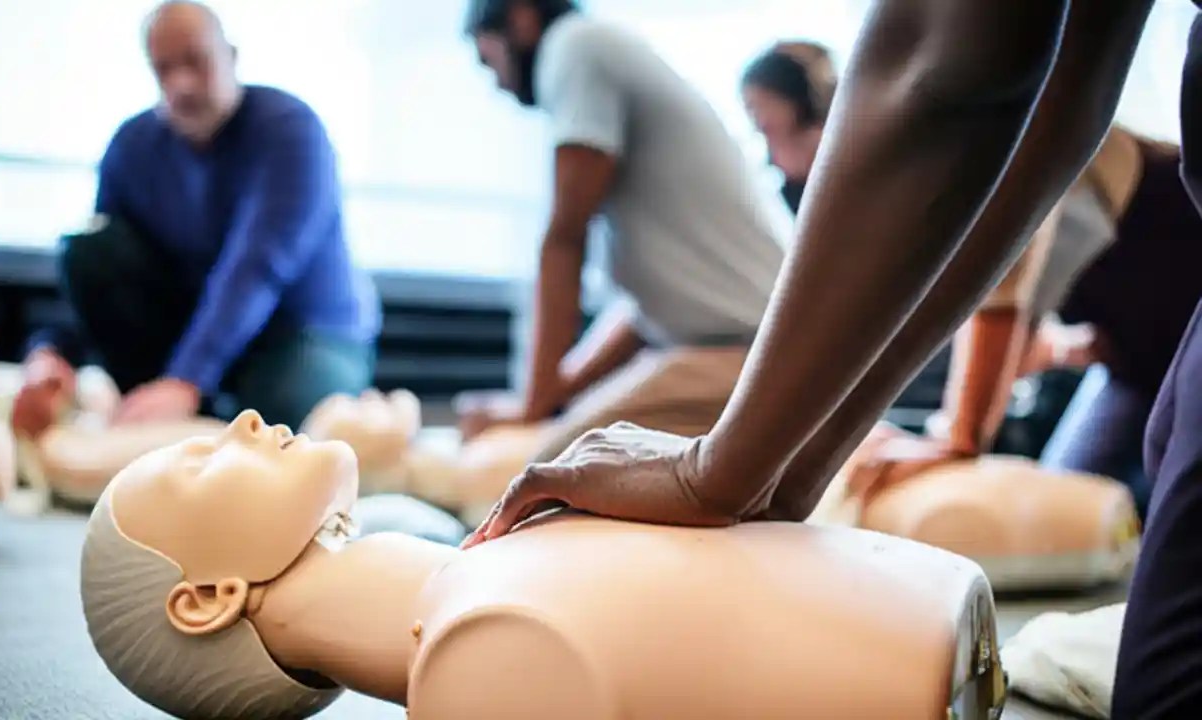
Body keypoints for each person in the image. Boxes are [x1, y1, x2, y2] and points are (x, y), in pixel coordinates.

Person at [463, 3, 1194, 715]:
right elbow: (1050, 100)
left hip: (1176, 281)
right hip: (1142, 349)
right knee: (1154, 467)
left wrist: (717, 470)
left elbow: (956, 73)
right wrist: (796, 464)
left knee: (1162, 674)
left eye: (768, 128)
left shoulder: (581, 53)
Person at [744, 41, 1202, 521]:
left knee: (1164, 520)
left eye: (765, 124)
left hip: (1182, 299)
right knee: (1069, 505)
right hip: (1132, 359)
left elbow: (1004, 286)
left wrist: (957, 437)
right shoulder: (869, 195)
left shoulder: (981, 132)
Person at [11, 0, 380, 437]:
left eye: (196, 62)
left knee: (274, 426)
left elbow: (256, 267)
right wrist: (51, 354)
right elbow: (92, 276)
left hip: (307, 331)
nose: (181, 84)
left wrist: (185, 381)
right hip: (194, 332)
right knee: (91, 247)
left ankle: (194, 400)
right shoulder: (132, 147)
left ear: (231, 57)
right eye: (164, 69)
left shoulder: (291, 131)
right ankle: (159, 403)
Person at [455, 0, 785, 464]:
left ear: (520, 19)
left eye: (486, 58)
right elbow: (643, 315)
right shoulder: (606, 53)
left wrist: (531, 408)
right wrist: (553, 395)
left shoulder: (575, 46)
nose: (497, 83)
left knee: (557, 463)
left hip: (744, 356)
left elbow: (565, 237)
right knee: (563, 448)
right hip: (730, 352)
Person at [740, 41, 837, 214]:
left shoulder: (832, 144)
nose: (760, 118)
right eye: (752, 108)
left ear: (791, 97)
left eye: (767, 104)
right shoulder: (771, 165)